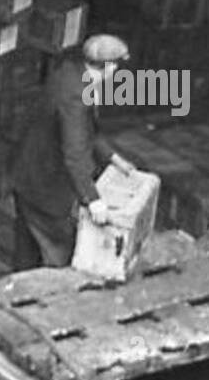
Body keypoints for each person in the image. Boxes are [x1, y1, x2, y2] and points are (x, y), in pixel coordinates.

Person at [9, 32, 137, 269]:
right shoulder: (76, 98)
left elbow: (85, 132)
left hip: (27, 178)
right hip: (45, 191)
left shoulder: (69, 73)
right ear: (108, 68)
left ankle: (16, 294)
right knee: (61, 256)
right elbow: (74, 153)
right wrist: (93, 200)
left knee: (26, 253)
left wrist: (113, 158)